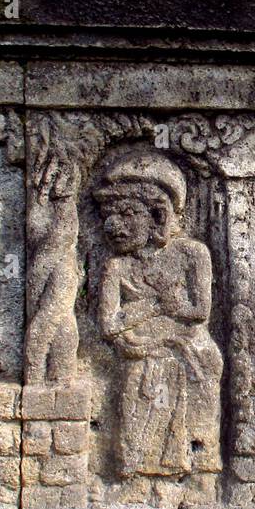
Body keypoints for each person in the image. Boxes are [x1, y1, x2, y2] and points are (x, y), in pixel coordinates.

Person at [94, 152, 223, 477]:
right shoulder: (117, 267)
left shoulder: (191, 254)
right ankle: (133, 474)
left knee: (199, 367)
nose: (113, 225)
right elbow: (109, 325)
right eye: (107, 214)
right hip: (140, 355)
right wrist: (158, 306)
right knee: (136, 398)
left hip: (187, 353)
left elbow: (199, 312)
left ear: (158, 215)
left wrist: (159, 321)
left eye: (126, 214)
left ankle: (193, 472)